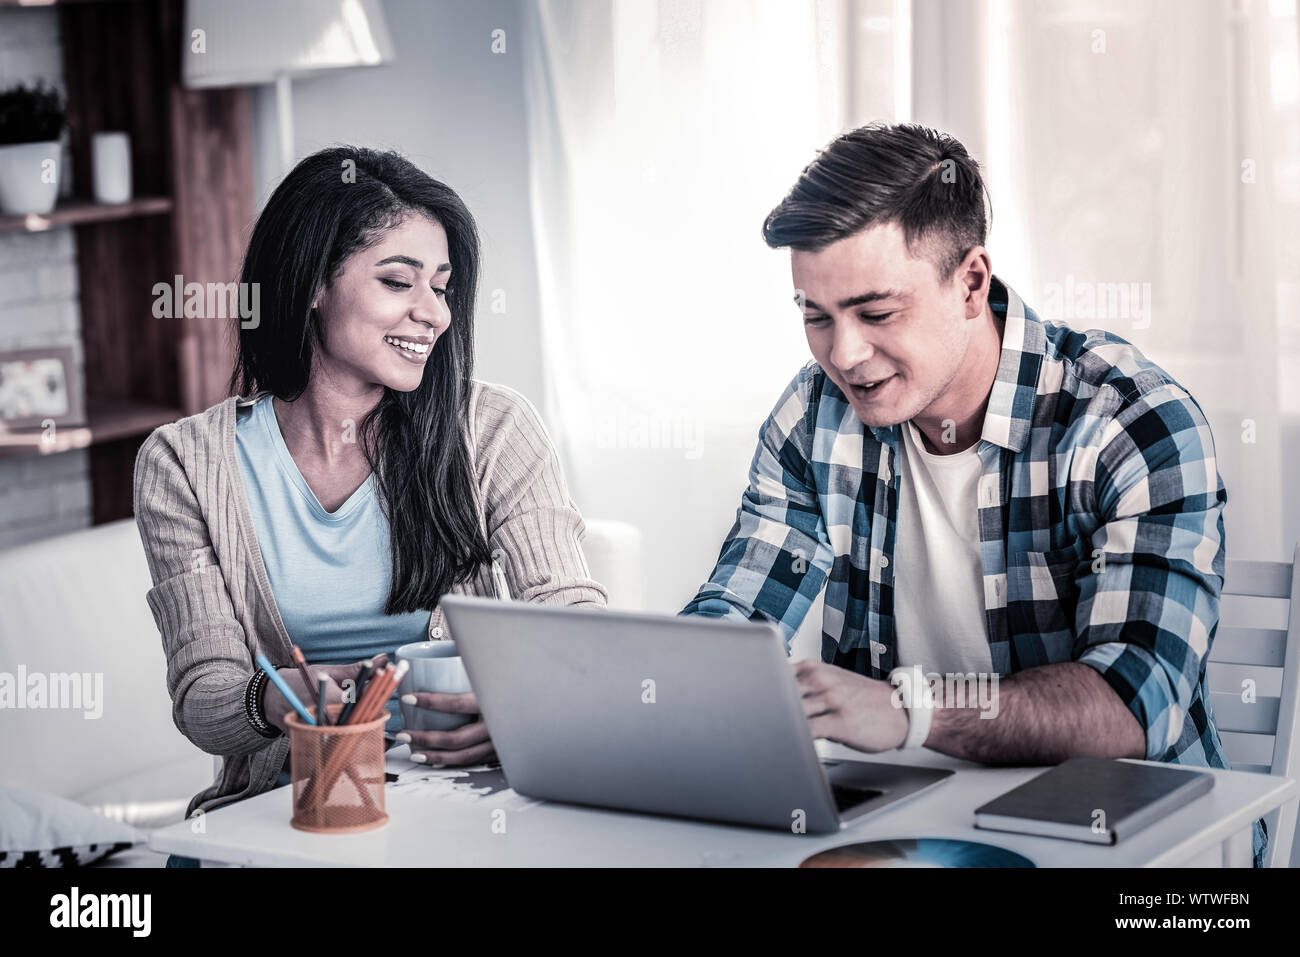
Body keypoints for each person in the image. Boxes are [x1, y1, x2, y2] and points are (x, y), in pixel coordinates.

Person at [680, 122, 1265, 867]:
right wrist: (588, 712)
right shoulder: (814, 416)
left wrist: (907, 711)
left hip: (1138, 844)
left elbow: (1128, 703)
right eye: (815, 315)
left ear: (970, 283)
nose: (844, 355)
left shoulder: (1129, 422)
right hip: (911, 828)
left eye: (877, 312)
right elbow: (731, 623)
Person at [134, 147, 606, 865]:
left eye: (443, 287)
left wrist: (514, 706)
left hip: (465, 811)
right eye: (397, 282)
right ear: (313, 283)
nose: (435, 314)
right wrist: (279, 696)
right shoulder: (183, 464)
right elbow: (204, 700)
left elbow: (580, 625)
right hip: (282, 822)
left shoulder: (493, 430)